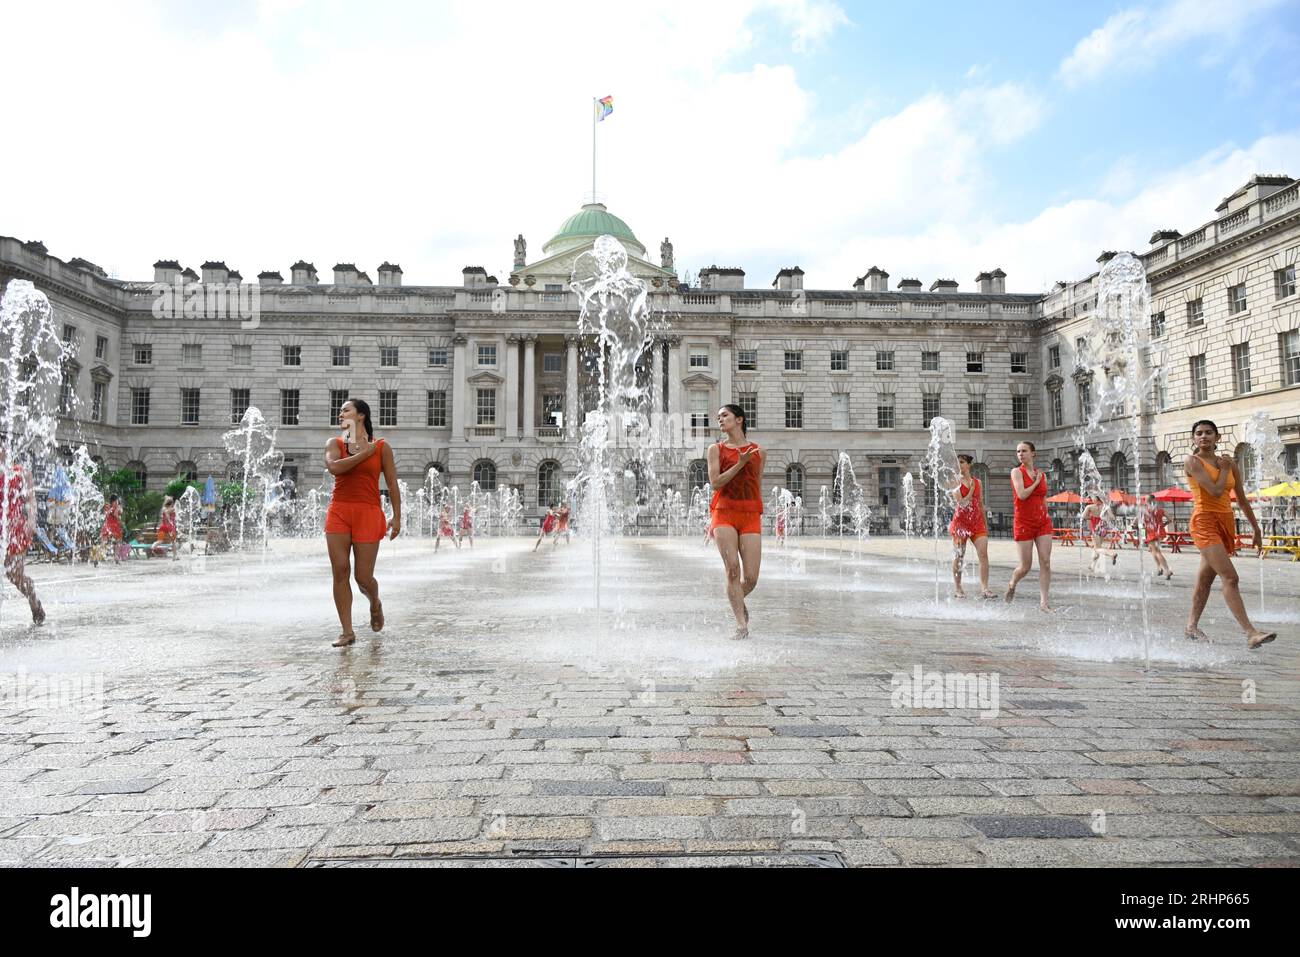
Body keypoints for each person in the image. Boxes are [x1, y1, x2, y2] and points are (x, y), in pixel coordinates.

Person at [1184, 420, 1276, 649]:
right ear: (1193, 439)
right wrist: (1224, 469)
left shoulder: (1230, 463)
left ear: (1217, 437)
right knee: (1230, 577)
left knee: (1205, 579)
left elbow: (1242, 500)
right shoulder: (1192, 461)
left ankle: (1191, 627)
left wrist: (1256, 529)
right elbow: (1215, 491)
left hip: (1225, 522)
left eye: (1208, 433)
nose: (1203, 437)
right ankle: (1251, 633)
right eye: (1198, 434)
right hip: (1204, 521)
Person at [324, 398, 400, 648]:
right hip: (339, 511)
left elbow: (392, 483)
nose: (340, 413)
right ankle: (347, 631)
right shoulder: (335, 443)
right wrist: (364, 454)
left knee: (363, 577)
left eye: (346, 410)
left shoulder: (381, 448)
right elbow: (334, 468)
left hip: (368, 512)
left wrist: (397, 516)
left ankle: (375, 603)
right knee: (340, 570)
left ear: (361, 416)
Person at [708, 404, 764, 640]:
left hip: (750, 513)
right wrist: (739, 464)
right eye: (719, 417)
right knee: (732, 570)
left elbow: (756, 484)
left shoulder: (759, 452)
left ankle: (737, 601)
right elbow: (716, 483)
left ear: (739, 419)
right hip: (724, 512)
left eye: (725, 416)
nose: (720, 419)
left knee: (751, 578)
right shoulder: (716, 449)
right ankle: (741, 625)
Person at [1005, 441, 1054, 611]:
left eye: (1024, 451)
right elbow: (1022, 494)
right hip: (1024, 522)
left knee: (1046, 562)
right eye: (1018, 451)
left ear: (1033, 453)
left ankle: (1044, 603)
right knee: (1025, 567)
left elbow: (1043, 497)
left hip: (1042, 522)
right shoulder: (1016, 472)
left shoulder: (1042, 475)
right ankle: (1012, 582)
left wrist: (1046, 513)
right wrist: (1036, 482)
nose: (1020, 454)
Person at [1, 447, 45, 624]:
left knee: (15, 577)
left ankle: (33, 600)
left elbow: (31, 500)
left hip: (14, 531)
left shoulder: (20, 473)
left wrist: (31, 521)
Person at [949, 454, 994, 599]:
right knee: (959, 556)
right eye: (957, 463)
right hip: (960, 524)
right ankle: (958, 588)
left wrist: (985, 524)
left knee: (983, 555)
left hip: (977, 523)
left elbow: (980, 503)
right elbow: (961, 503)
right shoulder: (954, 482)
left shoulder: (978, 482)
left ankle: (985, 589)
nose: (959, 465)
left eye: (961, 462)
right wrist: (970, 490)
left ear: (968, 465)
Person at [1082, 498, 1118, 576]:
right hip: (1103, 528)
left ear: (1096, 500)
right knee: (1098, 548)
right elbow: (1112, 517)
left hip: (1095, 527)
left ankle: (1111, 554)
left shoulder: (1089, 507)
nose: (1092, 499)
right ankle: (1092, 565)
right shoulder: (1105, 507)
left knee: (1097, 549)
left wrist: (1091, 517)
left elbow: (1083, 516)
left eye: (1093, 498)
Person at [1142, 499, 1172, 580]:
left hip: (1151, 533)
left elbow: (1139, 524)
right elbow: (1170, 519)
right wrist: (1163, 525)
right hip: (1159, 532)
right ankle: (1159, 568)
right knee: (1153, 550)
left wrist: (1143, 537)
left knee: (1157, 551)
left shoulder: (1145, 511)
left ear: (1147, 502)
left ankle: (1167, 570)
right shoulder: (1160, 510)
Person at [102, 494, 125, 563]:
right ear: (114, 501)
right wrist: (113, 510)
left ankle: (116, 557)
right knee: (105, 541)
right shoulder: (108, 506)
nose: (117, 502)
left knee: (117, 541)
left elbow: (117, 515)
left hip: (112, 526)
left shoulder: (118, 507)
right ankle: (115, 557)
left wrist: (117, 510)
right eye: (116, 500)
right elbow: (106, 515)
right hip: (110, 526)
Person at [154, 495, 179, 560]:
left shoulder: (164, 509)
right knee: (173, 542)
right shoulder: (172, 509)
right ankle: (174, 556)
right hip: (170, 527)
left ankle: (153, 546)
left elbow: (166, 511)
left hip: (164, 526)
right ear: (172, 503)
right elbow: (170, 512)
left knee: (160, 541)